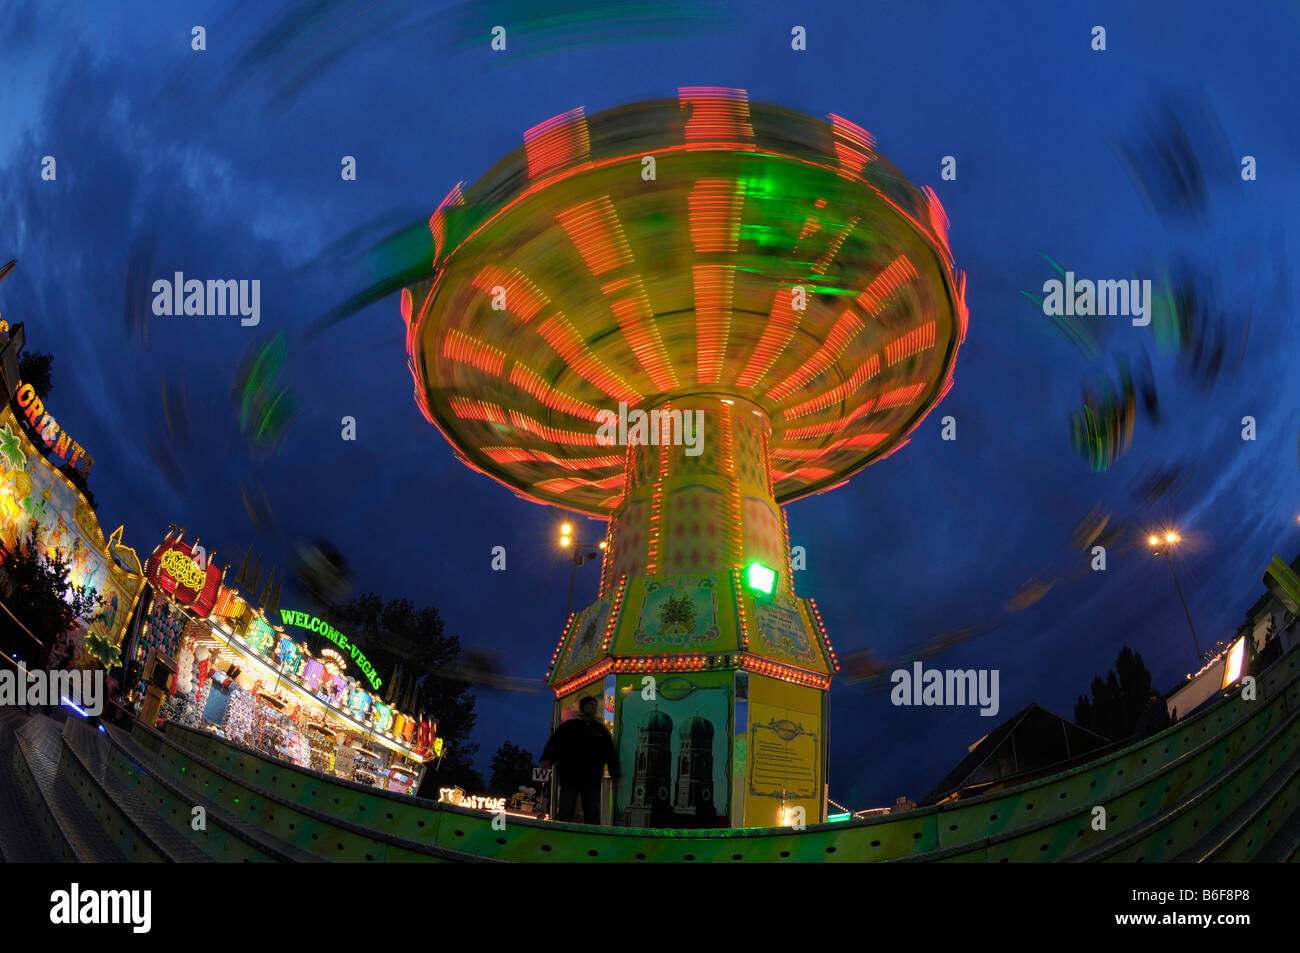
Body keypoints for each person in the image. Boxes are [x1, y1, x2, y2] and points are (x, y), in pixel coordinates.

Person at [540, 696, 619, 825]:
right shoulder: (570, 727)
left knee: (591, 811)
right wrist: (547, 758)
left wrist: (614, 772)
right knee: (566, 808)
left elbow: (609, 753)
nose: (593, 707)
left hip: (592, 777)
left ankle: (589, 836)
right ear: (583, 707)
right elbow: (556, 744)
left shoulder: (601, 731)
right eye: (590, 704)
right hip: (570, 775)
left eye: (595, 705)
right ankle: (561, 833)